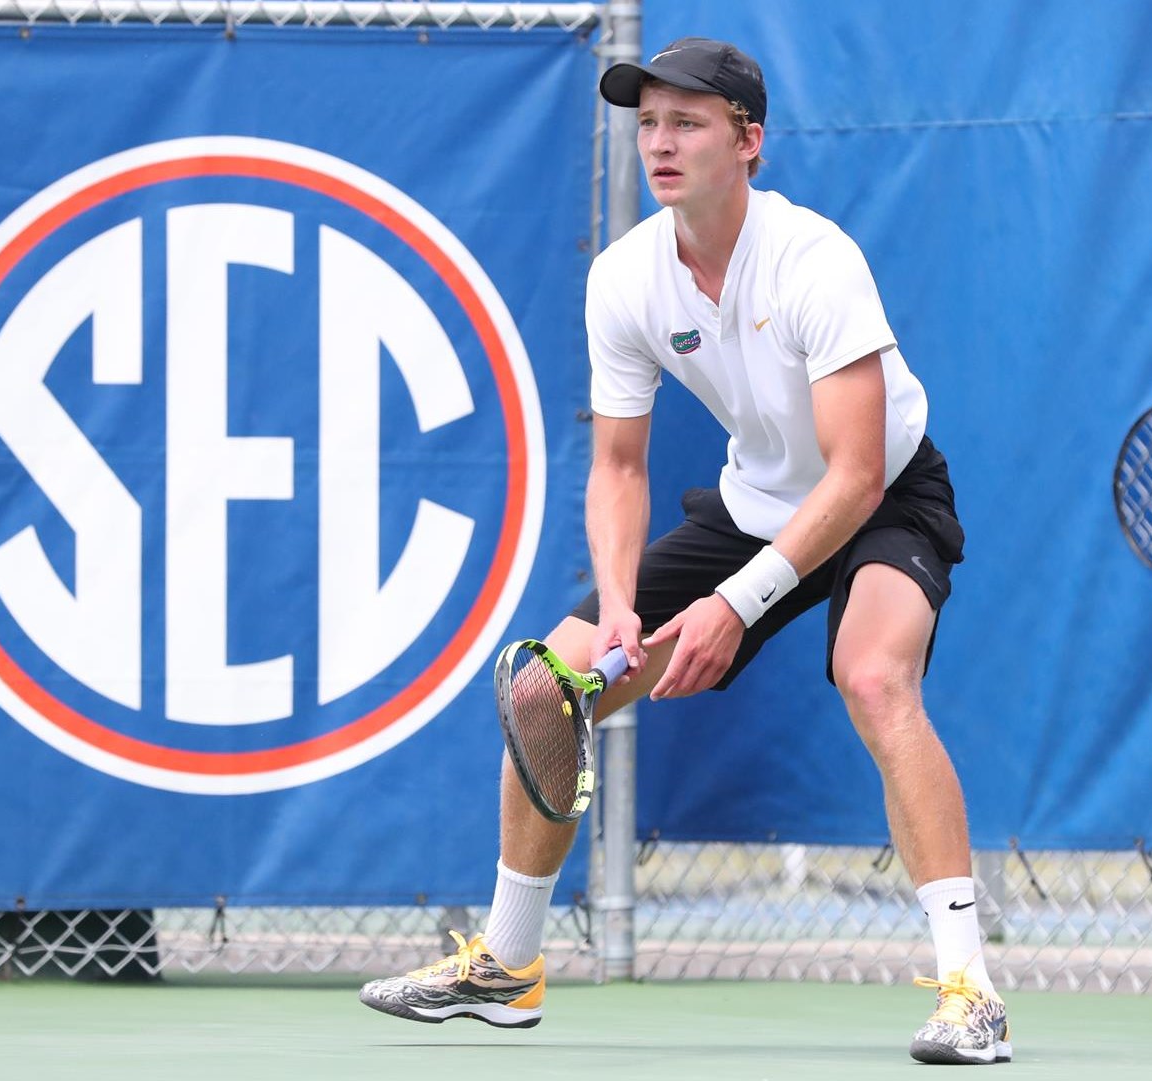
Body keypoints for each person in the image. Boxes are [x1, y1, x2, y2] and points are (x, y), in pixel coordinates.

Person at [360, 37, 1010, 1066]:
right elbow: (619, 467)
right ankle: (508, 966)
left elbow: (851, 476)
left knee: (875, 677)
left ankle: (971, 991)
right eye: (649, 123)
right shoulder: (625, 278)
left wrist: (736, 605)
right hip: (753, 504)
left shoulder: (814, 260)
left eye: (687, 123)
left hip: (882, 496)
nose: (659, 143)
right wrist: (621, 602)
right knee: (544, 689)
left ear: (748, 141)